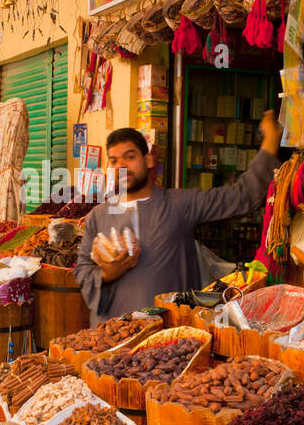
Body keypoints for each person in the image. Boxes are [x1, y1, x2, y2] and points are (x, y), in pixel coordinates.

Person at [74, 113, 283, 324]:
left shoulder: (178, 205)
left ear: (147, 160)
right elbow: (82, 271)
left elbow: (240, 197)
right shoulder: (97, 217)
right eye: (114, 161)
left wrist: (271, 141)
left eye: (129, 157)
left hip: (166, 338)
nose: (122, 166)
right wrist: (108, 273)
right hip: (111, 337)